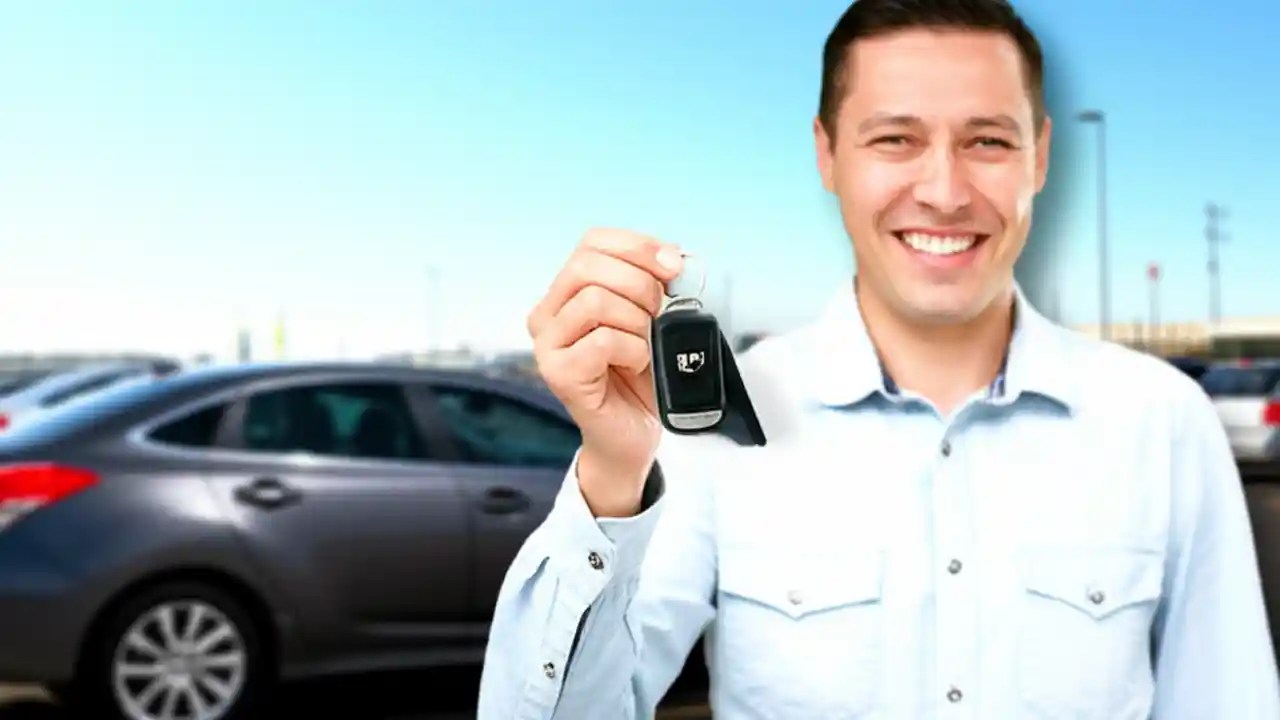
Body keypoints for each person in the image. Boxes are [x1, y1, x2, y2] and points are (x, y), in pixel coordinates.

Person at [477, 0, 1280, 717]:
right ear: (827, 155)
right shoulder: (718, 423)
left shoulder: (1163, 422)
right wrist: (612, 474)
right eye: (895, 139)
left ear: (1039, 156)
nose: (943, 190)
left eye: (987, 141)